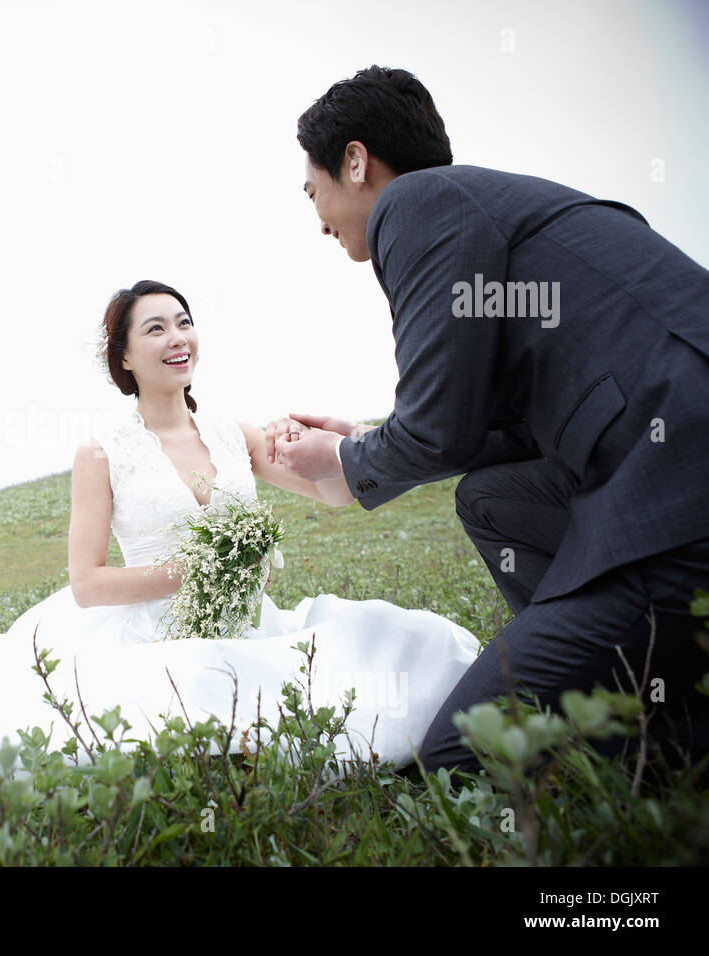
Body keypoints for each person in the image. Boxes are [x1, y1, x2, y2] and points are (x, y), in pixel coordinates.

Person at [0, 280, 484, 841]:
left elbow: (336, 497)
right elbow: (87, 585)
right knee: (165, 695)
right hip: (142, 629)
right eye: (156, 328)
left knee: (417, 643)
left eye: (185, 321)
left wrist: (350, 438)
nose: (178, 336)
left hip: (250, 619)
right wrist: (192, 573)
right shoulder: (102, 451)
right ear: (124, 356)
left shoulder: (235, 431)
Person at [271, 65, 709, 777]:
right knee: (488, 497)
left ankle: (633, 709)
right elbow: (469, 421)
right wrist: (363, 439)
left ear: (356, 162)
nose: (317, 216)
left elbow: (437, 429)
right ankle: (629, 690)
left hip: (675, 485)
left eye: (312, 188)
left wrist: (342, 466)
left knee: (449, 765)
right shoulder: (484, 205)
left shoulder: (417, 203)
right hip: (649, 464)